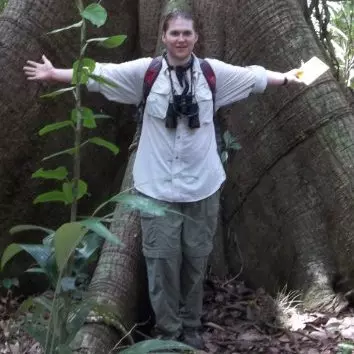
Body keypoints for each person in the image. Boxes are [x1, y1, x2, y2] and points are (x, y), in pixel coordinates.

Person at [23, 10, 302, 349]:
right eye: (175, 33)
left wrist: (290, 76)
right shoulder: (147, 72)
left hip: (202, 185)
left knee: (196, 260)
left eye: (187, 33)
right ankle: (169, 334)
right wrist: (55, 75)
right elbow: (101, 75)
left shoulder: (212, 73)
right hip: (155, 188)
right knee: (161, 262)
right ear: (164, 37)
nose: (181, 39)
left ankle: (191, 328)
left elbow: (254, 77)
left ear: (196, 37)